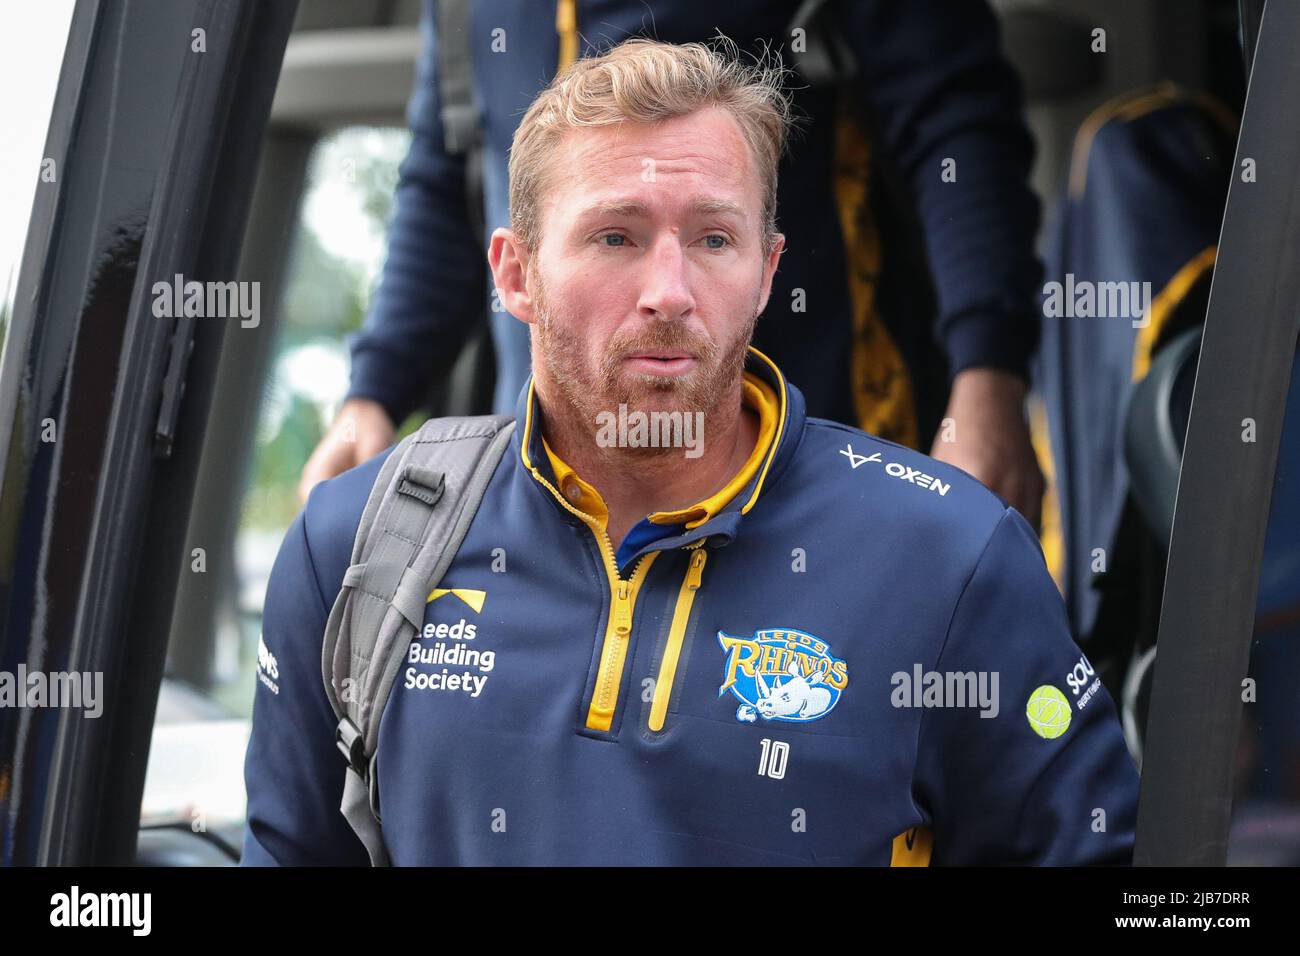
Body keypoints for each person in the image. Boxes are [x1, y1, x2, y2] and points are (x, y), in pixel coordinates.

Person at [244, 39, 1137, 865]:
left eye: (713, 239)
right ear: (516, 274)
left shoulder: (953, 557)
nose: (669, 292)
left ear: (767, 271)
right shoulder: (355, 548)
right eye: (615, 237)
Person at [298, 0, 1046, 529]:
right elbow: (449, 170)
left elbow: (956, 127)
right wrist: (375, 392)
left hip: (812, 447)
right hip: (546, 478)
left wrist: (988, 380)